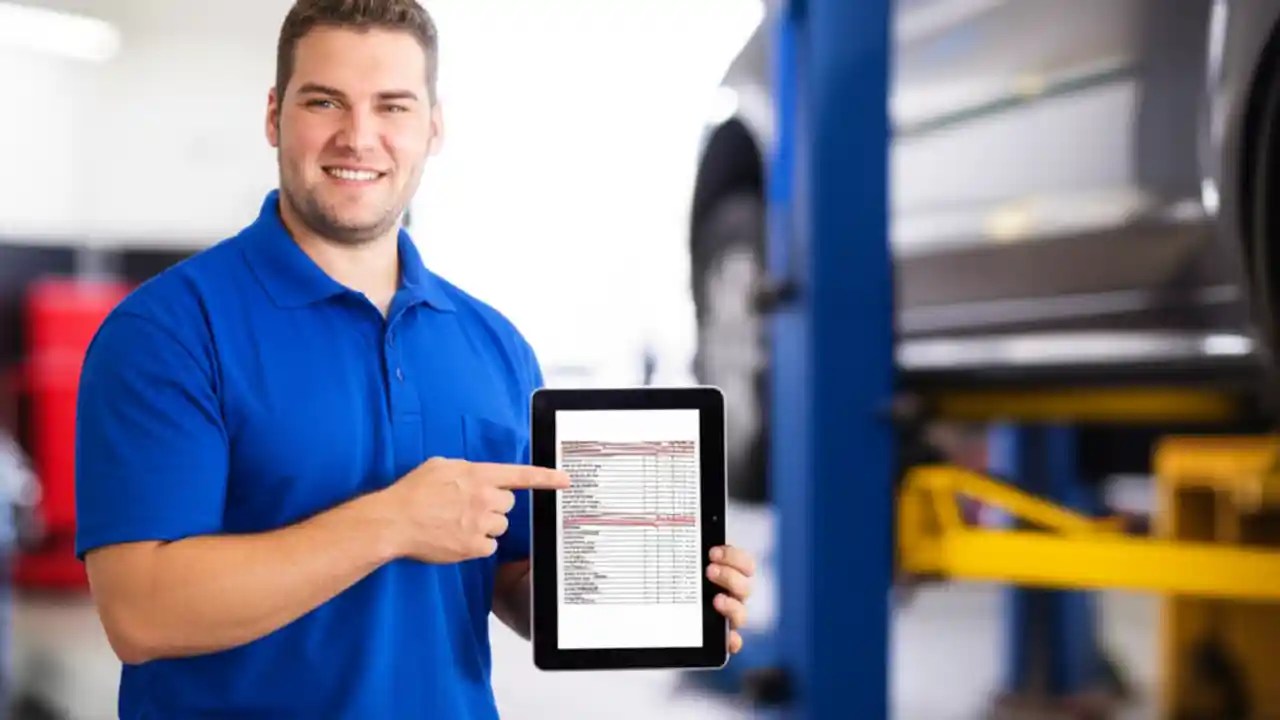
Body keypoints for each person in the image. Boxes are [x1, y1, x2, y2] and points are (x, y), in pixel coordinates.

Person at [73, 1, 757, 717]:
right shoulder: (169, 332)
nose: (358, 136)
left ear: (433, 127)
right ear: (275, 116)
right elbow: (142, 615)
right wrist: (391, 523)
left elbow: (509, 577)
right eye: (325, 101)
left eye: (392, 106)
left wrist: (663, 590)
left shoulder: (493, 344)